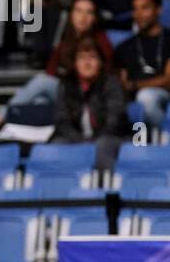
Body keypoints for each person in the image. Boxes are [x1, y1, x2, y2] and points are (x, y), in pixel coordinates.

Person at [0, 0, 112, 138]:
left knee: (42, 82)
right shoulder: (66, 40)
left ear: (94, 18)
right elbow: (52, 70)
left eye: (89, 12)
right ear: (71, 15)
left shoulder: (101, 41)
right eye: (79, 11)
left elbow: (108, 75)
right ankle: (14, 137)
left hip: (89, 96)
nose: (83, 16)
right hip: (67, 95)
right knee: (39, 102)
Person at [115, 0, 170, 130]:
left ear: (158, 9)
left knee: (147, 96)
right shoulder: (124, 47)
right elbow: (122, 82)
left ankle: (157, 136)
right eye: (135, 9)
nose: (139, 14)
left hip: (169, 96)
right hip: (133, 99)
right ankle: (137, 144)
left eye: (145, 8)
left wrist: (135, 85)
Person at [53, 38, 127, 171]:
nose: (87, 63)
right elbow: (61, 120)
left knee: (102, 145)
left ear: (100, 62)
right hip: (77, 138)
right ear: (75, 63)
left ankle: (106, 188)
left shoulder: (111, 83)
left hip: (109, 137)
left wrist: (92, 141)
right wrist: (80, 141)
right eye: (81, 58)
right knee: (56, 145)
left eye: (92, 57)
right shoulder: (66, 85)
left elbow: (114, 119)